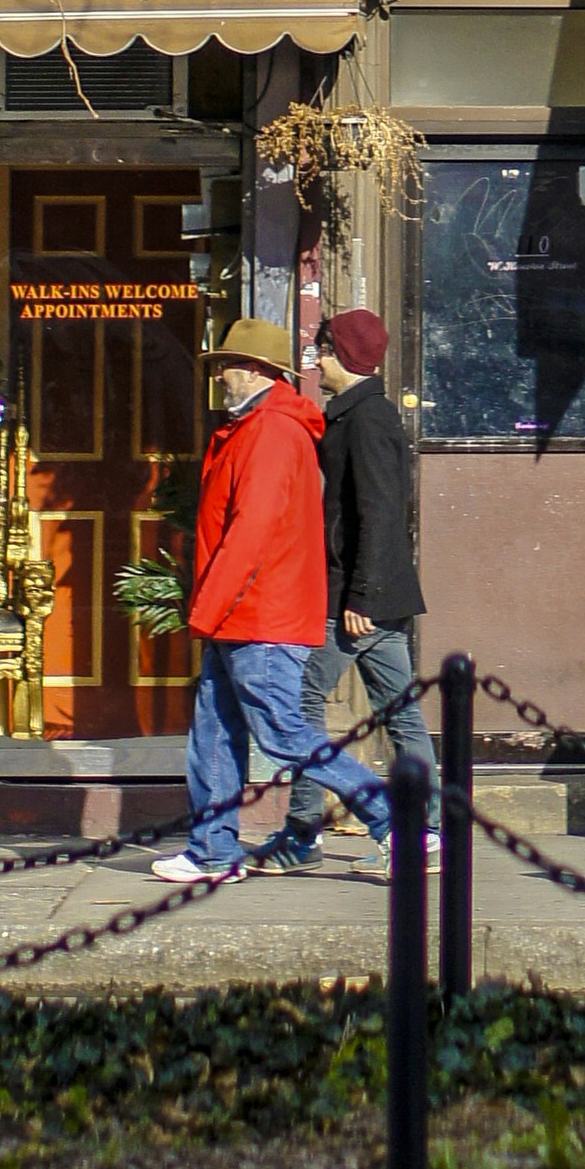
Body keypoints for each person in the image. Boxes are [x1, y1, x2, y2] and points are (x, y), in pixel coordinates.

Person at [150, 318, 396, 886]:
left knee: (283, 733)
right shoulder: (257, 427)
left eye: (226, 366)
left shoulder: (269, 432)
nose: (220, 376)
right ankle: (212, 851)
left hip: (261, 611)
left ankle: (389, 815)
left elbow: (251, 532)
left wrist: (206, 608)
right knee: (215, 730)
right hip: (245, 609)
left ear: (254, 371)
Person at [281, 307, 440, 859]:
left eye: (321, 351)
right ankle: (432, 827)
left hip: (356, 596)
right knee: (401, 714)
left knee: (298, 702)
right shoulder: (359, 414)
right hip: (373, 594)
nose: (315, 361)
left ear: (342, 356)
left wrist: (361, 595)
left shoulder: (366, 420)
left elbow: (378, 510)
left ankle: (302, 831)